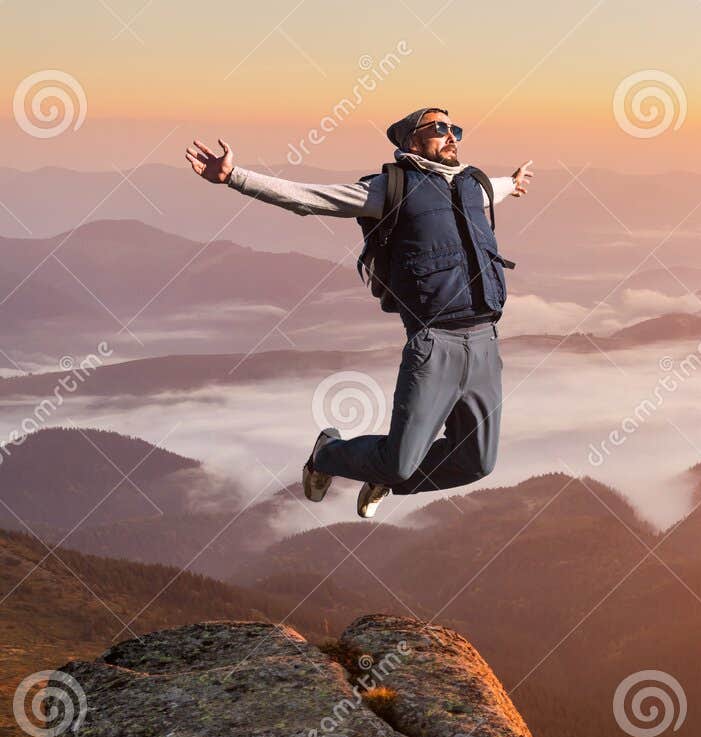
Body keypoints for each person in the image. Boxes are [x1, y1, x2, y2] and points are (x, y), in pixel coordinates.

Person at [185, 108, 531, 518]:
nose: (452, 136)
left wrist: (513, 182)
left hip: (487, 342)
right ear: (411, 142)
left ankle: (386, 478)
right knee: (400, 461)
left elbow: (496, 186)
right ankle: (329, 453)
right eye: (439, 129)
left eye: (455, 129)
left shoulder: (474, 186)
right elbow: (309, 199)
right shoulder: (389, 189)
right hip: (435, 343)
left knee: (476, 463)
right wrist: (234, 178)